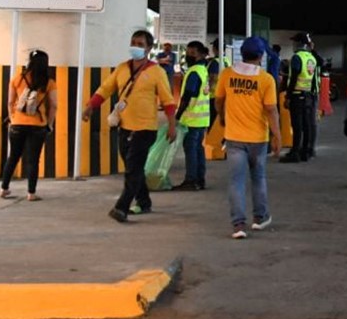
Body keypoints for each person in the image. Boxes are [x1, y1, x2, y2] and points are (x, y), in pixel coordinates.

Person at [83, 29, 177, 223]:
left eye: (140, 44)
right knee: (133, 166)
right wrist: (90, 106)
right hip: (124, 126)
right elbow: (106, 89)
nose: (136, 47)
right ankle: (144, 201)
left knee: (133, 169)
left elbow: (168, 101)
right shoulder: (122, 68)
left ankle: (122, 207)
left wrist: (171, 126)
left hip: (146, 129)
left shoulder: (157, 72)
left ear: (149, 48)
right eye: (134, 42)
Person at [214, 36, 281, 239]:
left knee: (236, 181)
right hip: (258, 139)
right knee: (258, 178)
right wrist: (277, 136)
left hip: (234, 137)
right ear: (260, 56)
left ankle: (238, 225)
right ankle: (260, 218)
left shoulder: (227, 74)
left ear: (241, 54)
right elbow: (271, 110)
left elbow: (218, 101)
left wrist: (223, 117)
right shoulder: (266, 79)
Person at [1, 50, 57, 201]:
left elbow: (10, 102)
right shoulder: (49, 82)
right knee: (33, 160)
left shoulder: (18, 79)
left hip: (17, 124)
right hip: (38, 125)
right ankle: (31, 193)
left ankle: (4, 188)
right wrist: (49, 125)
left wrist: (13, 118)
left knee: (13, 156)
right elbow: (53, 106)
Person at [173, 40, 212, 191]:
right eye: (188, 53)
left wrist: (178, 115)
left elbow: (188, 95)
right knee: (198, 149)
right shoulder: (203, 69)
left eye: (192, 53)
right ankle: (199, 180)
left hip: (193, 118)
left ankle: (191, 180)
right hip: (202, 119)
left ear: (201, 54)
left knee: (191, 149)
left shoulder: (194, 71)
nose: (189, 56)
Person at [281, 32, 319, 163]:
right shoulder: (311, 58)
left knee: (296, 125)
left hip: (297, 95)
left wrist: (288, 96)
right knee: (306, 124)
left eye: (294, 42)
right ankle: (305, 152)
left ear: (298, 43)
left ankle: (295, 152)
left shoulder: (297, 58)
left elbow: (294, 78)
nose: (292, 45)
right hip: (308, 95)